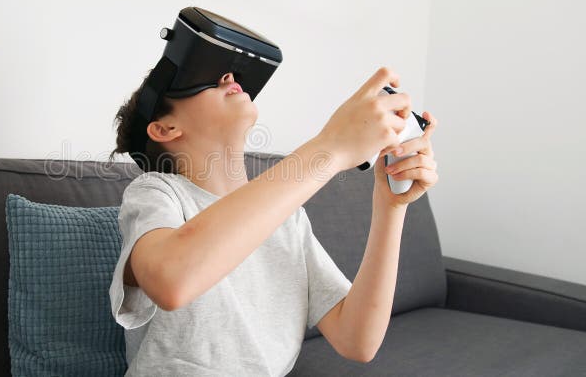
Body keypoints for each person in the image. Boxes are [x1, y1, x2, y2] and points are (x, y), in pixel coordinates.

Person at [106, 66, 439, 376]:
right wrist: (330, 147)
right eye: (203, 77)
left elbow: (357, 340)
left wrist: (390, 207)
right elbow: (171, 281)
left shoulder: (286, 217)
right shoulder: (155, 193)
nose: (226, 75)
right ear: (165, 128)